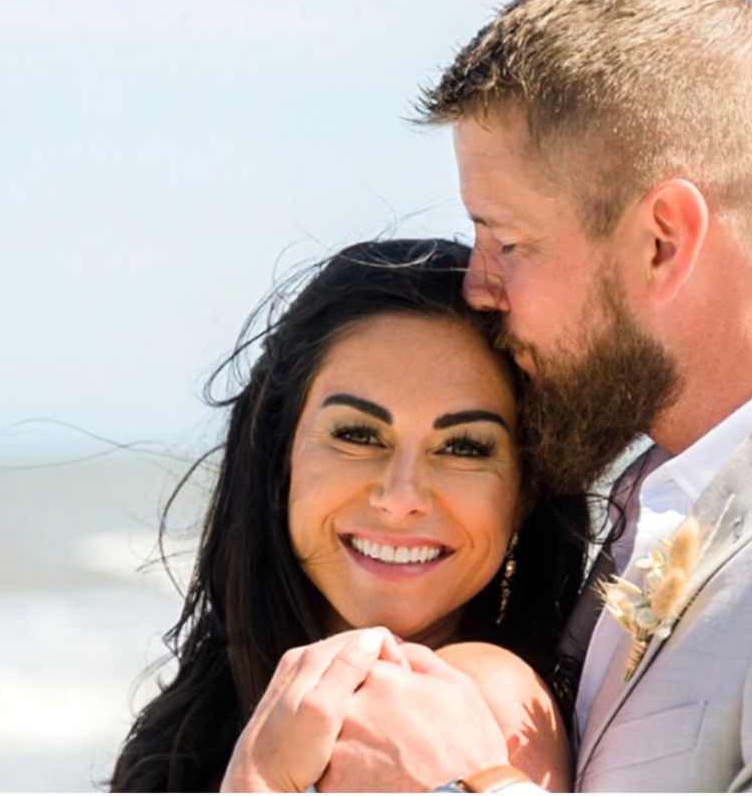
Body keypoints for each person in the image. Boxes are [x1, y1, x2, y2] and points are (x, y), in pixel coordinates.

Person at [236, 0, 752, 791]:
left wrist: (461, 783)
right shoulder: (675, 500)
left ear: (662, 240)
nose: (478, 287)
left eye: (507, 241)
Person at [108, 239, 589, 792]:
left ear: (525, 490)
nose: (400, 496)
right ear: (280, 453)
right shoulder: (206, 721)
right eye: (358, 435)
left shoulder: (478, 698)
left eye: (464, 447)